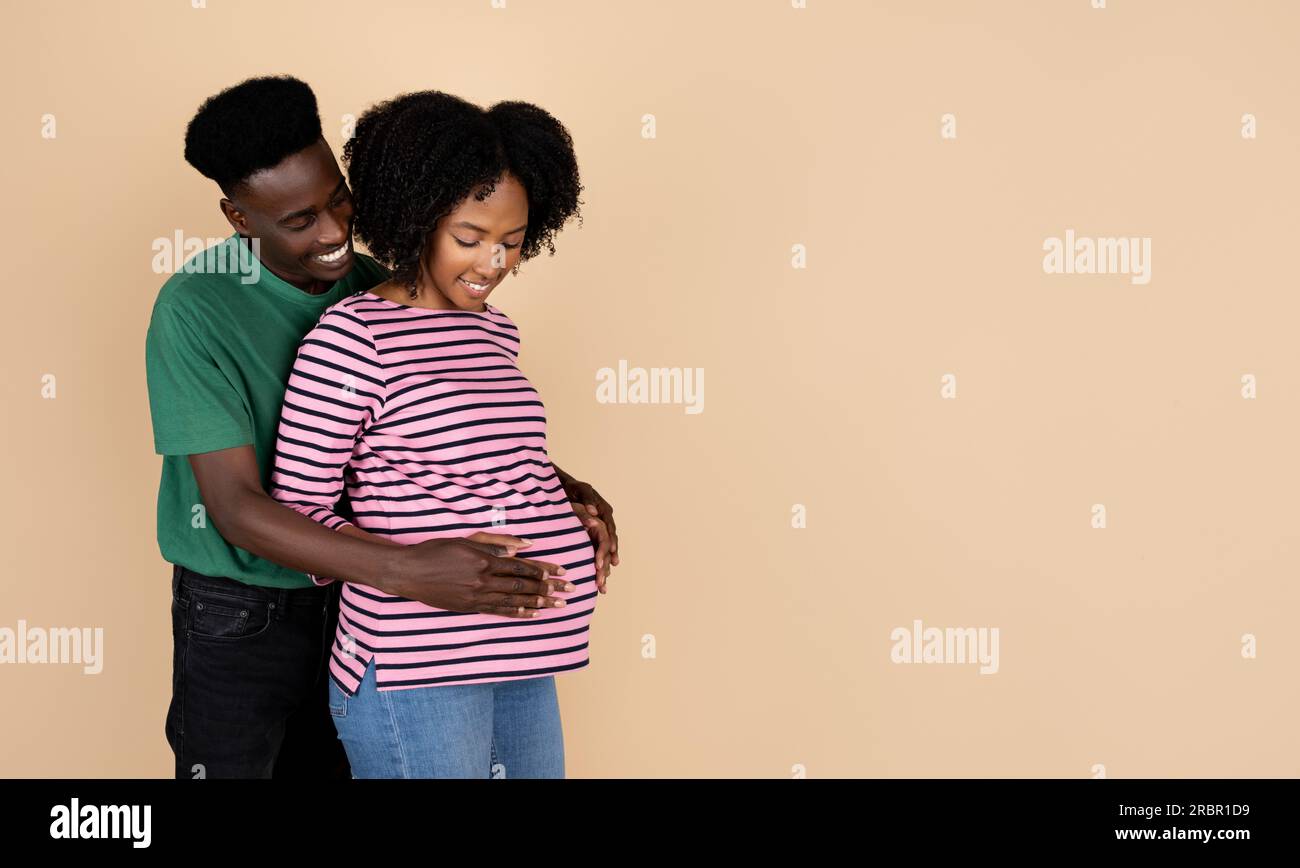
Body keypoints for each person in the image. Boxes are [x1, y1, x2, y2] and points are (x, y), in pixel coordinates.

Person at [145, 76, 616, 779]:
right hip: (246, 605)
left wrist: (562, 491)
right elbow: (238, 508)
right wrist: (407, 571)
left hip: (358, 595)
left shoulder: (379, 284)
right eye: (300, 220)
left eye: (338, 199)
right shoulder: (197, 308)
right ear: (240, 217)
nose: (335, 231)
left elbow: (445, 438)